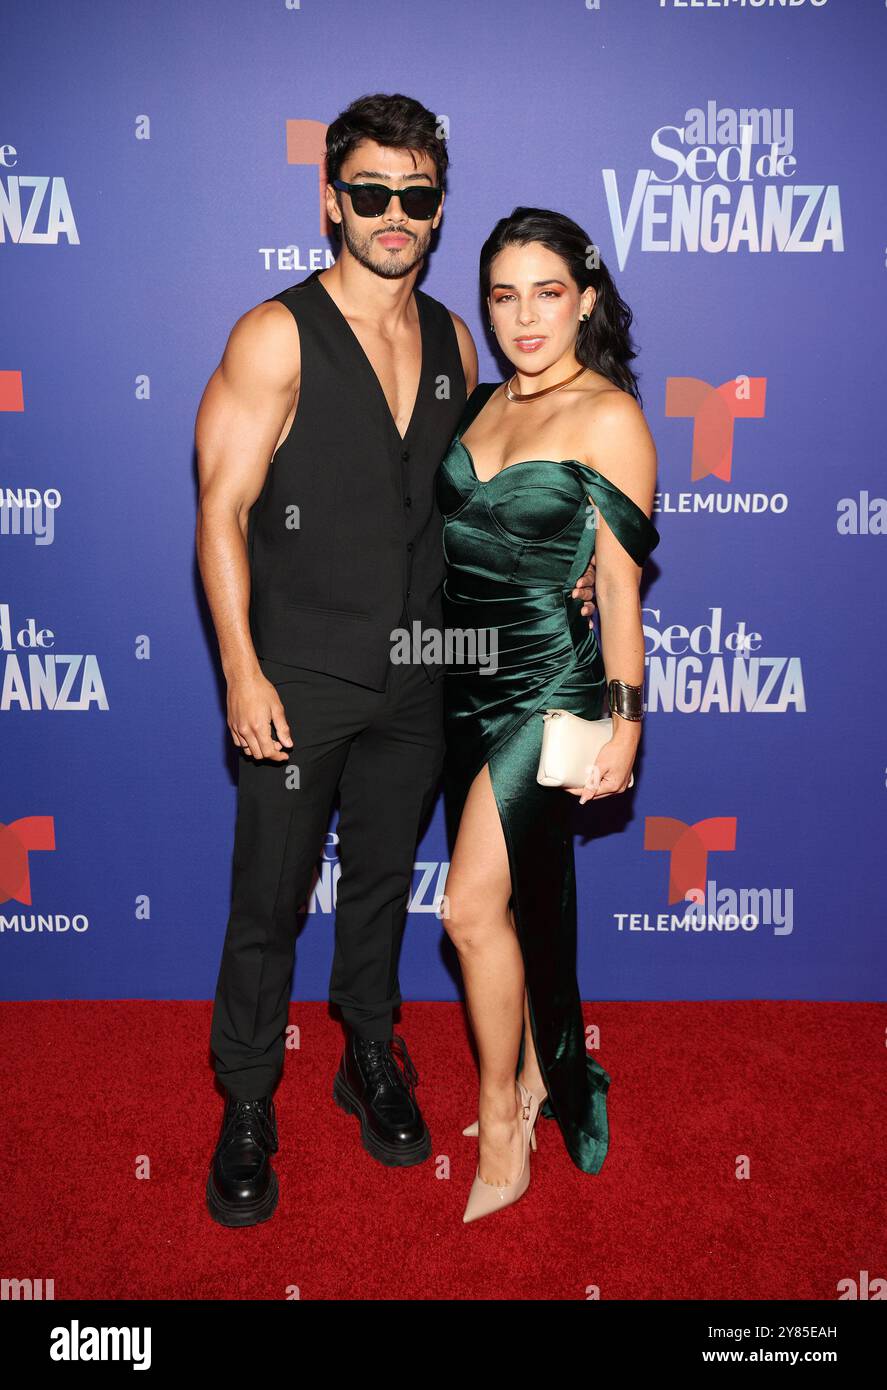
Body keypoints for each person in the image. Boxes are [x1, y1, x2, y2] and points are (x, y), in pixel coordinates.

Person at [194, 93, 602, 1226]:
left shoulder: (453, 340)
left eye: (413, 197)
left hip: (419, 671)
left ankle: (367, 1050)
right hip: (300, 674)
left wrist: (566, 557)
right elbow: (219, 512)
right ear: (330, 199)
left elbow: (484, 497)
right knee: (267, 901)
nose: (390, 214)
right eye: (368, 192)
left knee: (380, 883)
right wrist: (241, 668)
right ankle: (243, 1100)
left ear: (434, 212)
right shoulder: (271, 335)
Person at [436, 208, 660, 1223]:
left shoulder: (607, 414)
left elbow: (615, 589)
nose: (522, 316)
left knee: (468, 909)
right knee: (522, 898)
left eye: (545, 291)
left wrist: (624, 719)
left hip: (553, 688)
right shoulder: (479, 404)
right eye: (501, 294)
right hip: (463, 678)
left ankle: (500, 1124)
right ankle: (532, 1068)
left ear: (585, 298)